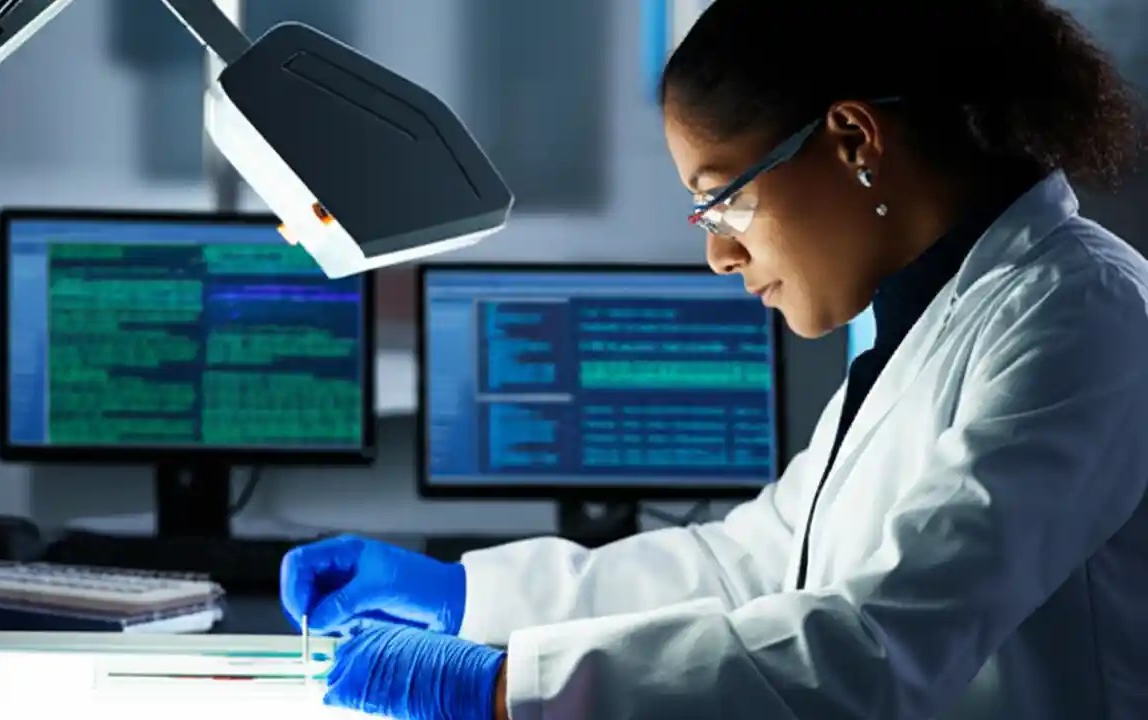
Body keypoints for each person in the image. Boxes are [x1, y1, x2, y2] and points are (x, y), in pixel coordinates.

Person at [281, 1, 1148, 718]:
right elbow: (751, 565)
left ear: (853, 139)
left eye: (722, 201)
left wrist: (506, 687)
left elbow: (876, 647)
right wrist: (464, 596)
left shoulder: (1082, 315)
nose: (720, 257)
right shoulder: (929, 323)